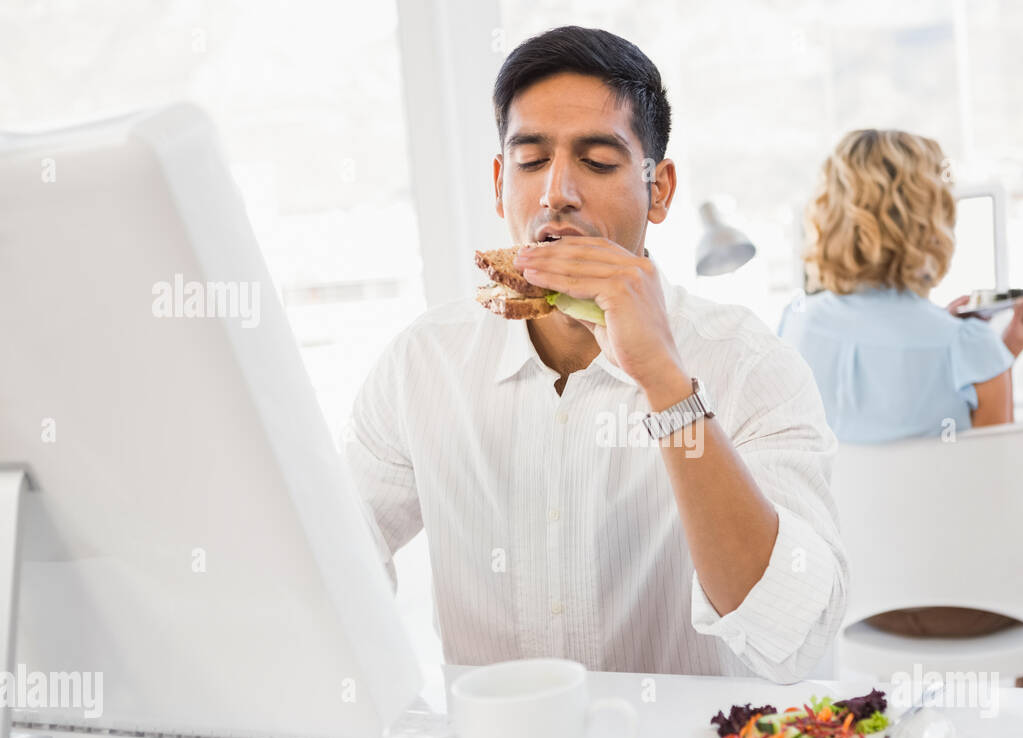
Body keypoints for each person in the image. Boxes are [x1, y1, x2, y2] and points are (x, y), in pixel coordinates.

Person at [341, 26, 847, 683]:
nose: (557, 192)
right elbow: (331, 563)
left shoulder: (752, 366)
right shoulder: (422, 365)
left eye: (598, 162)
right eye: (529, 161)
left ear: (659, 190)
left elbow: (792, 633)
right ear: (499, 185)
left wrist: (666, 382)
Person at [777, 128, 1023, 689]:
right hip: (970, 605)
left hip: (844, 597)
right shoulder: (970, 347)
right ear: (931, 216)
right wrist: (998, 352)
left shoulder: (796, 325)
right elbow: (993, 492)